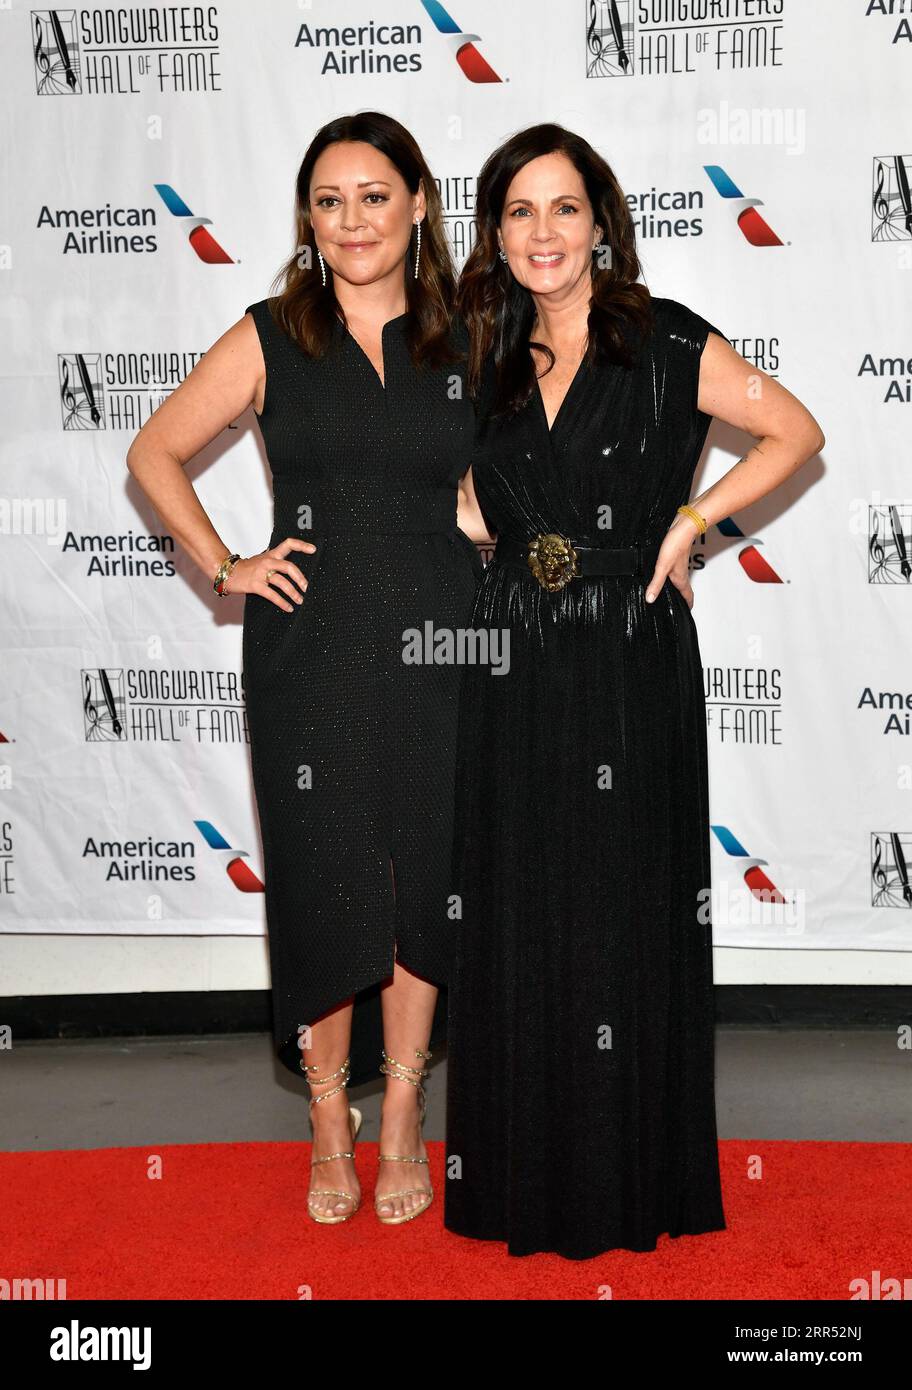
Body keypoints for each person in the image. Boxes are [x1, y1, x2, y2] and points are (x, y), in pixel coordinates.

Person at [444, 123, 825, 1259]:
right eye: (518, 212)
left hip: (625, 652)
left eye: (565, 208)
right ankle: (524, 1180)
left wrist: (695, 522)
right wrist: (485, 524)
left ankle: (625, 1178)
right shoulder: (490, 351)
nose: (543, 233)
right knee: (521, 905)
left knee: (618, 906)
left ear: (602, 222)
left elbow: (795, 431)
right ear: (495, 233)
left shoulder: (661, 340)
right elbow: (470, 498)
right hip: (514, 656)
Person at [127, 112, 484, 1227]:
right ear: (309, 219)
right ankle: (331, 1116)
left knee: (427, 875)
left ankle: (410, 1111)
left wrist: (489, 525)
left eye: (375, 195)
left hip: (446, 642)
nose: (352, 220)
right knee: (330, 880)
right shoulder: (274, 332)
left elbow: (506, 473)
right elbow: (153, 452)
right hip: (314, 647)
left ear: (420, 204)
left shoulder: (473, 335)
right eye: (329, 201)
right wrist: (229, 562)